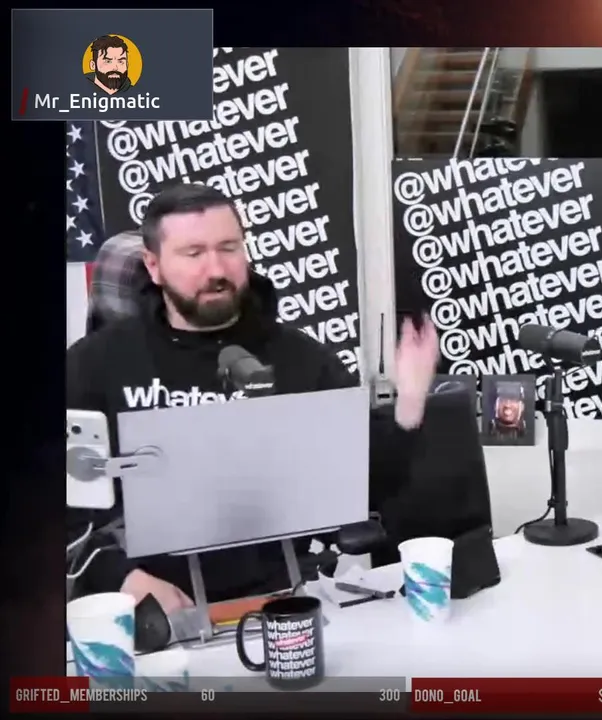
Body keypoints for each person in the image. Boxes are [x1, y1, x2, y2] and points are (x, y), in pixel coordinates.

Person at [66, 183, 441, 613]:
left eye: (229, 248)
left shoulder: (302, 360)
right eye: (193, 253)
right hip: (148, 609)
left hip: (280, 600)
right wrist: (119, 577)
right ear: (154, 266)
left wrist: (409, 404)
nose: (216, 269)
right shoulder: (95, 363)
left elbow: (367, 486)